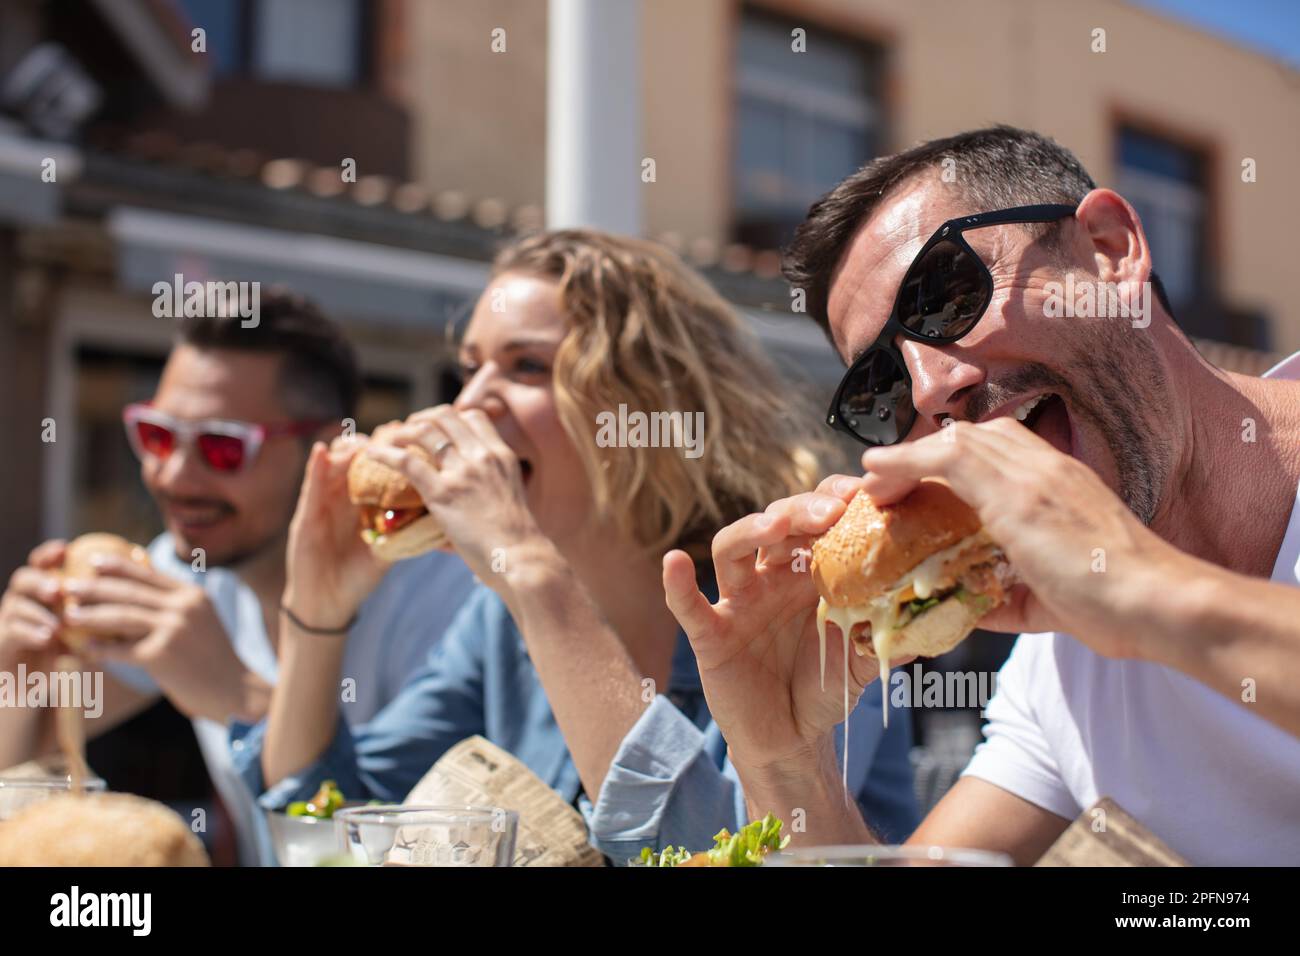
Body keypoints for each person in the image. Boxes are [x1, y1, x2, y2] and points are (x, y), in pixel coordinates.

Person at [664, 125, 1300, 867]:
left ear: (1109, 249)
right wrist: (785, 756)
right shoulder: (1058, 664)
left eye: (949, 295)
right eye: (884, 388)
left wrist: (1138, 588)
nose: (934, 387)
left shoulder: (1106, 604)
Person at [232, 230, 921, 861]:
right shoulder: (501, 627)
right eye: (469, 368)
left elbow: (731, 852)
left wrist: (531, 573)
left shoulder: (789, 589)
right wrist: (316, 611)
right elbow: (327, 831)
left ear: (644, 402)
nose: (470, 403)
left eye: (526, 367)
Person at [0, 291, 475, 865]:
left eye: (222, 448)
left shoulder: (442, 596)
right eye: (157, 435)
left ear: (323, 448)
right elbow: (36, 774)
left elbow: (417, 842)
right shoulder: (184, 571)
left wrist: (238, 693)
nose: (174, 475)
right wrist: (22, 671)